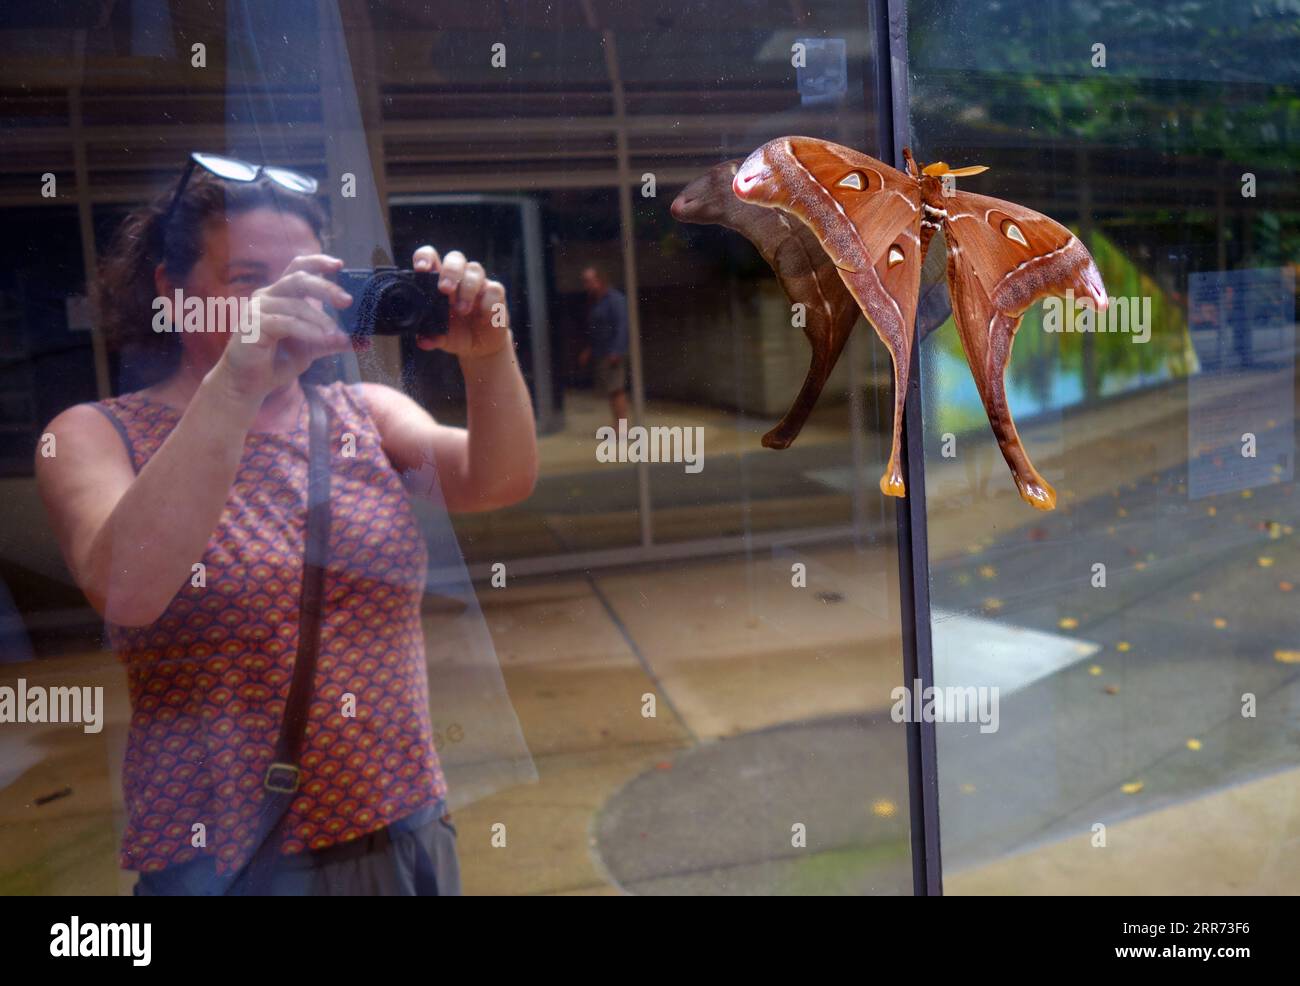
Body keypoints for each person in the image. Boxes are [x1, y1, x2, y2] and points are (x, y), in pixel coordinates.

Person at [34, 154, 538, 895]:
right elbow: (128, 590)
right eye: (248, 280)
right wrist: (237, 380)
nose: (283, 300)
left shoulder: (363, 412)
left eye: (301, 275)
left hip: (400, 826)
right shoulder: (96, 434)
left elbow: (497, 479)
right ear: (173, 294)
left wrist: (490, 356)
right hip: (222, 861)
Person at [578, 265, 630, 426]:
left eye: (589, 281)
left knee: (616, 390)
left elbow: (623, 325)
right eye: (584, 282)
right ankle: (617, 423)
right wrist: (589, 349)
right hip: (601, 352)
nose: (586, 285)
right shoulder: (595, 301)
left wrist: (616, 351)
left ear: (600, 280)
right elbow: (595, 329)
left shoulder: (615, 300)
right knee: (611, 390)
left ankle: (621, 427)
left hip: (613, 352)